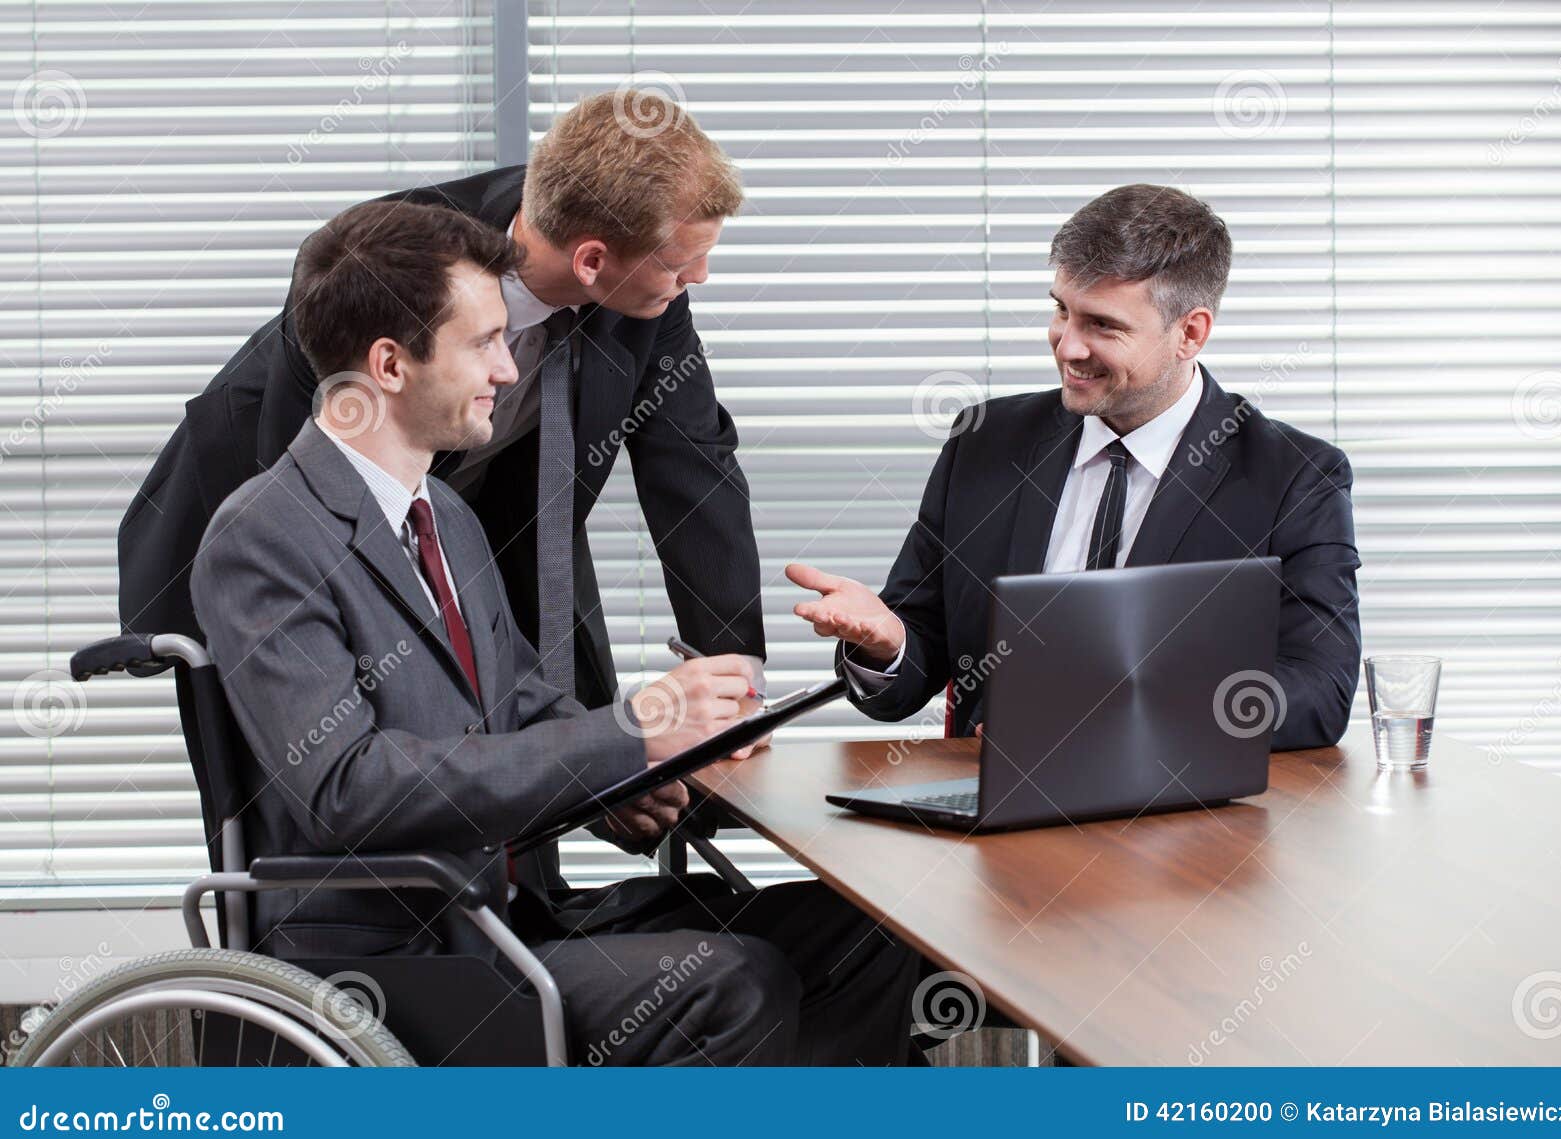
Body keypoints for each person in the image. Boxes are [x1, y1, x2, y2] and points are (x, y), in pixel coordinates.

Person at [190, 199, 921, 1065]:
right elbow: (350, 787)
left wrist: (635, 771)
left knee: (866, 932)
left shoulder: (446, 518)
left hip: (500, 919)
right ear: (389, 364)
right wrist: (626, 731)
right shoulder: (266, 535)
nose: (508, 367)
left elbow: (524, 703)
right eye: (483, 343)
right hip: (393, 962)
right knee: (735, 981)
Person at [121, 88, 763, 714]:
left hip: (489, 526)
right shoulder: (381, 263)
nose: (696, 280)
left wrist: (737, 677)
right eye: (682, 266)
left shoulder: (644, 271)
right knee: (335, 767)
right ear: (590, 260)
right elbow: (319, 507)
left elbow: (693, 462)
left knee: (565, 750)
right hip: (281, 506)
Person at [786, 184, 1361, 751]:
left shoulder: (1296, 477)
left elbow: (1319, 690)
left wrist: (1125, 713)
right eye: (1062, 310)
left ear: (1190, 333)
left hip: (1182, 822)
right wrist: (887, 644)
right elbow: (919, 662)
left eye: (1102, 325)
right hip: (989, 813)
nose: (1067, 347)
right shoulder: (985, 443)